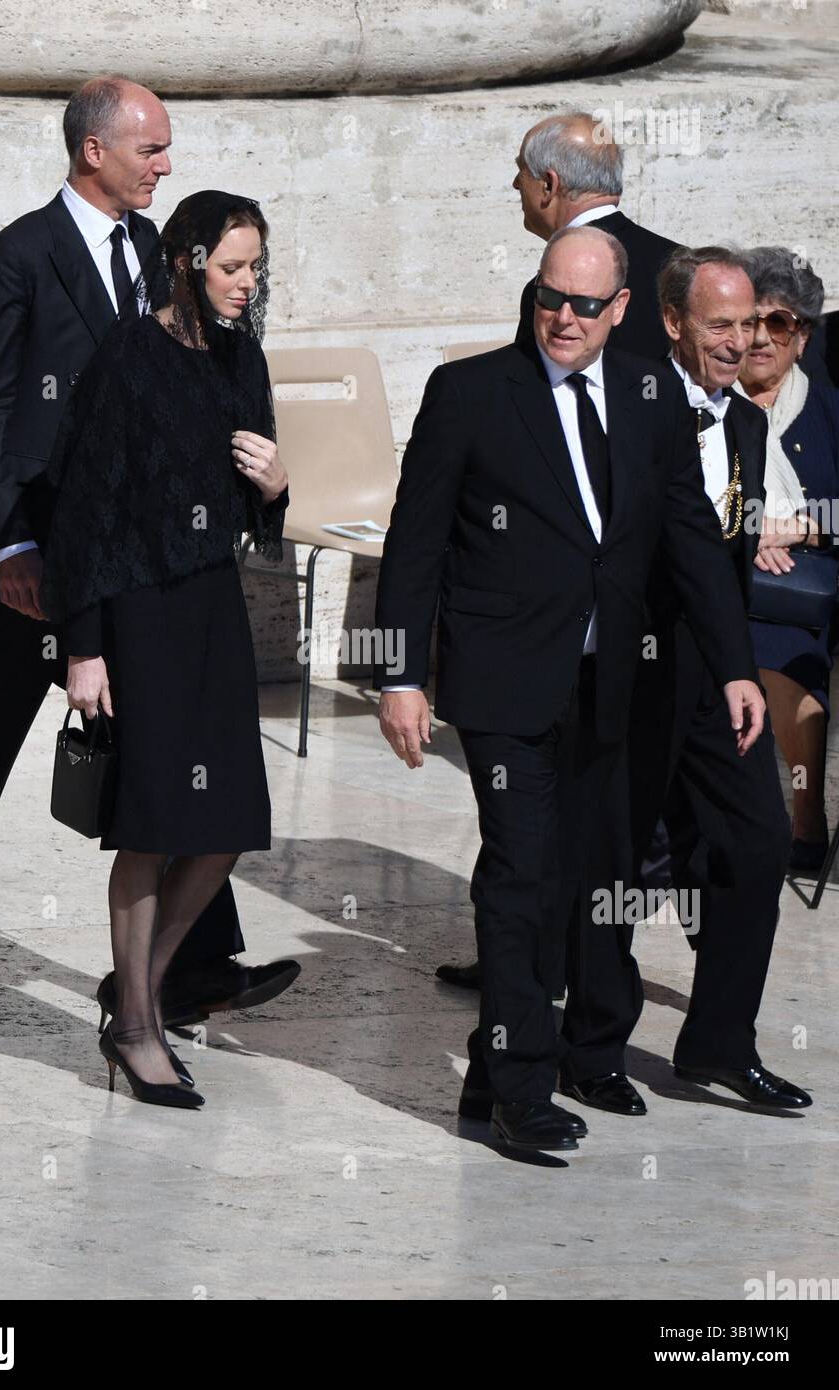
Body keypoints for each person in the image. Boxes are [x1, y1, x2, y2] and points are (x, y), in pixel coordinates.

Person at [0, 76, 299, 1027]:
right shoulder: (14, 256)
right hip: (32, 556)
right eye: (150, 149)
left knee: (166, 749)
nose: (166, 165)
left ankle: (188, 966)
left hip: (132, 564)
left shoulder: (159, 251)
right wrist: (10, 540)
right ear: (92, 150)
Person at [375, 225, 766, 1154]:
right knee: (523, 878)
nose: (564, 317)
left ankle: (500, 1068)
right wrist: (398, 672)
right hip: (505, 684)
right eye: (551, 296)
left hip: (613, 685)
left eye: (587, 305)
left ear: (621, 311)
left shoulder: (644, 396)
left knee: (584, 883)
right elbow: (416, 540)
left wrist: (736, 665)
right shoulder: (470, 392)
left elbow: (691, 544)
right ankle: (517, 1089)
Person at [40, 190, 288, 1108]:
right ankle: (138, 1029)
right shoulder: (127, 360)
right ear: (186, 262)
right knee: (148, 827)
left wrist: (278, 484)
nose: (246, 284)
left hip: (214, 605)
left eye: (255, 267)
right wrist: (84, 650)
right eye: (232, 267)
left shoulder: (240, 356)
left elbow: (258, 506)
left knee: (224, 822)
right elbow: (84, 518)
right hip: (137, 614)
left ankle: (138, 989)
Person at [439, 110, 679, 994]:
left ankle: (539, 975)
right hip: (630, 614)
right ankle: (540, 979)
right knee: (577, 826)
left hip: (564, 613)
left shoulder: (559, 289)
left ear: (549, 185)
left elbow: (524, 459)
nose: (565, 316)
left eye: (518, 175)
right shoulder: (672, 261)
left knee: (578, 828)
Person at [623, 246, 811, 1112]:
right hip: (626, 664)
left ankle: (718, 1043)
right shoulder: (626, 400)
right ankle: (572, 1039)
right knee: (613, 862)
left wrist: (738, 665)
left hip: (715, 671)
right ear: (673, 324)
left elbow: (724, 554)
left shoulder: (744, 422)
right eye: (721, 326)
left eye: (751, 325)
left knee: (760, 840)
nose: (741, 343)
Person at [737, 247, 839, 872]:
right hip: (727, 577)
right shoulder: (705, 410)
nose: (763, 338)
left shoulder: (830, 413)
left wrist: (800, 528)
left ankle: (805, 814)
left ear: (801, 337)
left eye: (781, 324)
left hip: (813, 588)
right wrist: (751, 533)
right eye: (752, 321)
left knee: (787, 652)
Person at [512, 111, 678, 359]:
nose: (516, 184)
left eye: (521, 170)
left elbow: (529, 390)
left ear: (548, 184)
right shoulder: (683, 264)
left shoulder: (549, 293)